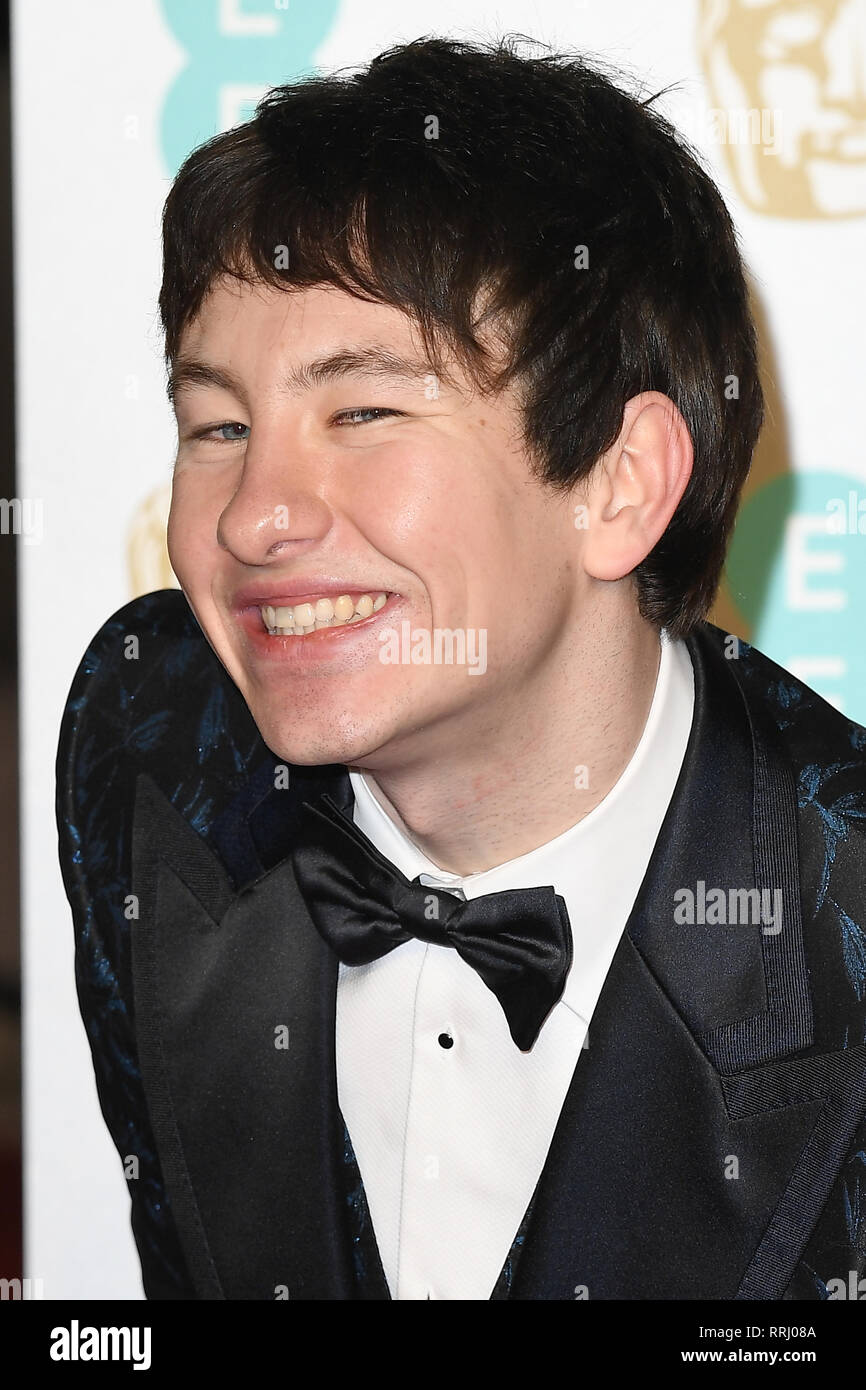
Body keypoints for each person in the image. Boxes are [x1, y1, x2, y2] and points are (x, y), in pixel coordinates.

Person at [56, 34, 866, 1301]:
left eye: (362, 412)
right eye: (218, 424)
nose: (252, 517)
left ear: (616, 480)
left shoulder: (842, 925)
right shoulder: (153, 739)